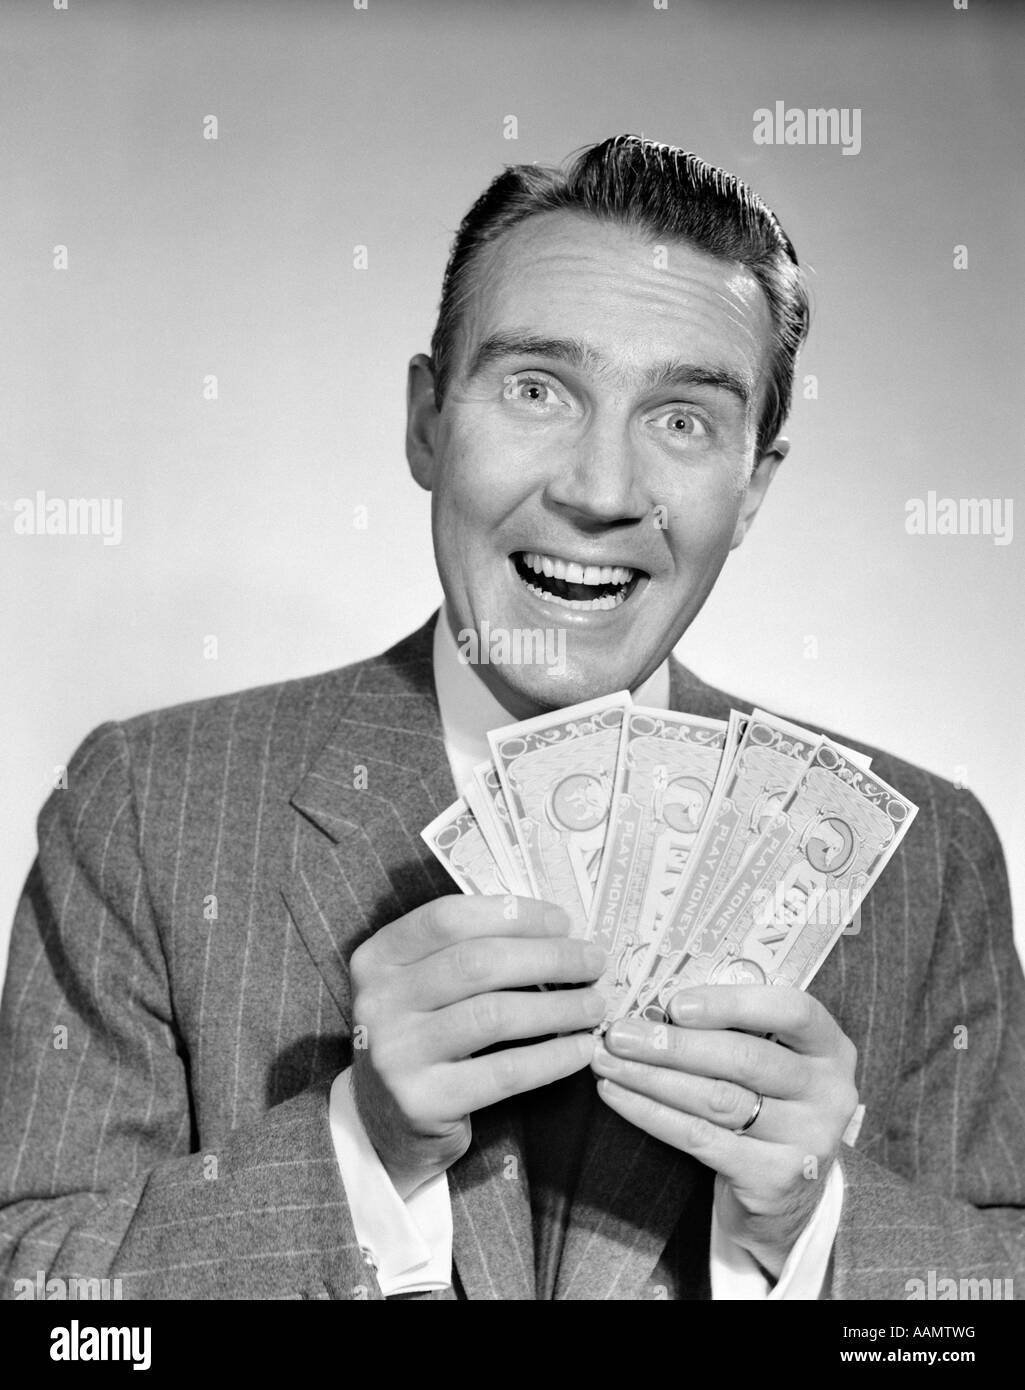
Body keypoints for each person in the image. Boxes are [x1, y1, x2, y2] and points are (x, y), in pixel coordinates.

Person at [1, 135, 1021, 1302]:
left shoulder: (926, 861)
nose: (597, 489)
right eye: (537, 389)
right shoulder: (145, 803)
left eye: (682, 419)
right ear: (428, 422)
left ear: (751, 488)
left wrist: (807, 1225)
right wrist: (354, 1152)